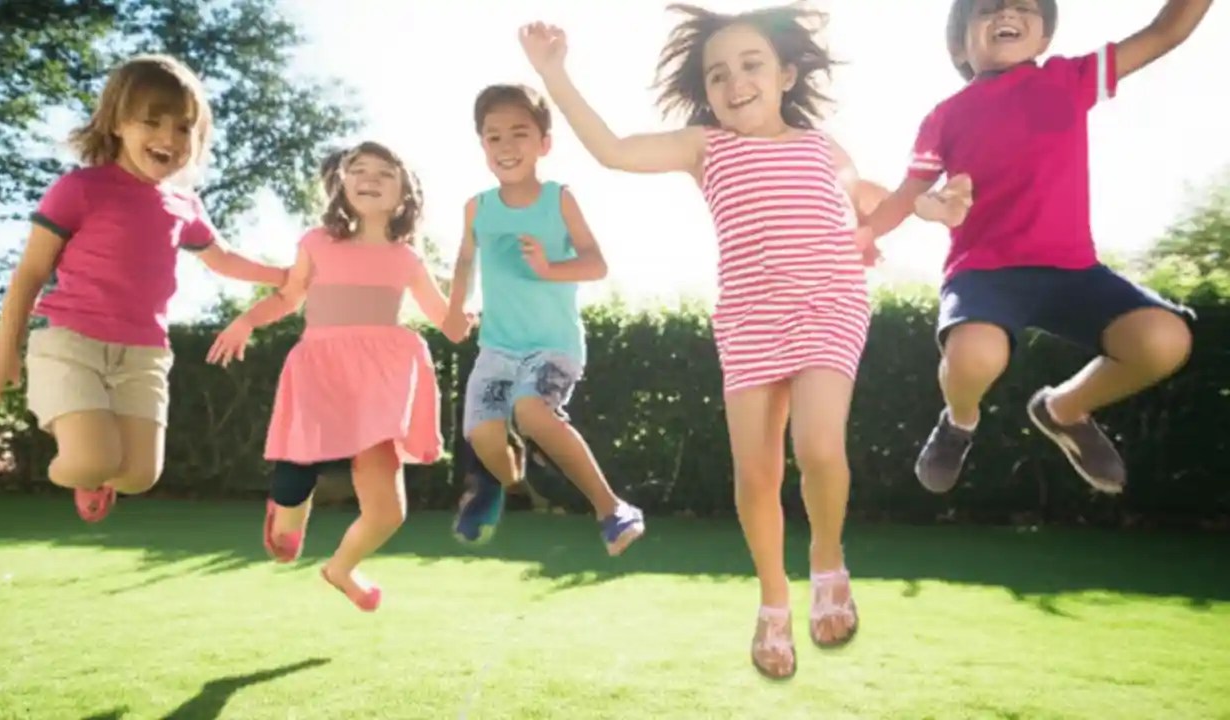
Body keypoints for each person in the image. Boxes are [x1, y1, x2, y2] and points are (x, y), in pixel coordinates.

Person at [516, 4, 960, 678]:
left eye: (751, 65)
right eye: (716, 73)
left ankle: (827, 560)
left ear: (785, 73)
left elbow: (870, 201)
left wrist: (929, 205)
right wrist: (555, 74)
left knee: (817, 446)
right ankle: (774, 601)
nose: (734, 82)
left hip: (828, 303)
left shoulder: (823, 148)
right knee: (756, 475)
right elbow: (611, 150)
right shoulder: (706, 146)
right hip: (749, 316)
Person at [860, 0, 1211, 496]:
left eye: (1024, 6)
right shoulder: (944, 117)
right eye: (988, 9)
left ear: (1045, 37)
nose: (1007, 11)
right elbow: (906, 195)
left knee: (1164, 341)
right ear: (961, 45)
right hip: (984, 274)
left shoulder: (1070, 80)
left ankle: (1063, 409)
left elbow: (1166, 30)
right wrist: (862, 235)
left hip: (1073, 272)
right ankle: (959, 421)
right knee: (973, 358)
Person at [0, 54, 287, 523]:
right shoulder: (79, 189)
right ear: (117, 122)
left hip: (143, 354)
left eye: (184, 128)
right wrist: (3, 353)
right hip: (72, 344)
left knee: (138, 475)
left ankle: (97, 468)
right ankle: (81, 468)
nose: (169, 139)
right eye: (152, 122)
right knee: (92, 460)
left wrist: (285, 275)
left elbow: (223, 259)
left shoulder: (184, 204)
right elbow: (30, 273)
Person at [208, 142, 471, 612]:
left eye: (385, 173)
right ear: (342, 184)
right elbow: (288, 298)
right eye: (359, 170)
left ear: (405, 194)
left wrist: (469, 309)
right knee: (296, 472)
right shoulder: (316, 243)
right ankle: (286, 518)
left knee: (389, 512)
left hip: (381, 380)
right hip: (322, 368)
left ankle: (341, 569)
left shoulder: (407, 259)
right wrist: (247, 320)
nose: (370, 178)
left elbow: (448, 323)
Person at [445, 83, 646, 555]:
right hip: (497, 348)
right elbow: (463, 262)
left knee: (532, 410)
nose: (506, 146)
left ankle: (612, 509)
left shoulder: (559, 199)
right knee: (481, 433)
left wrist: (549, 269)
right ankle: (498, 480)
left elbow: (597, 264)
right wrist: (457, 307)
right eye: (493, 137)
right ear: (482, 147)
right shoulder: (477, 207)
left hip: (552, 345)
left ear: (544, 144)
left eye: (519, 133)